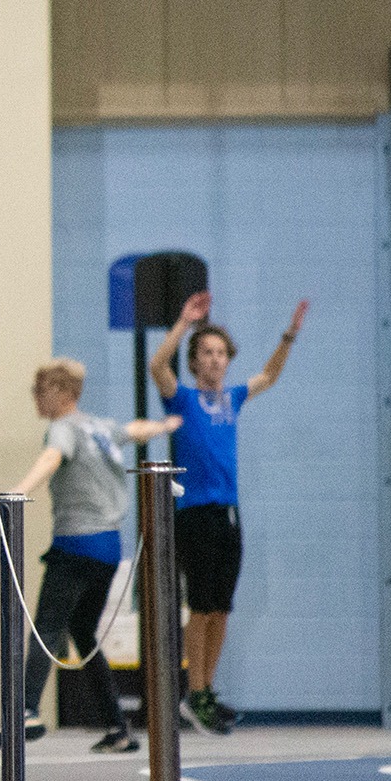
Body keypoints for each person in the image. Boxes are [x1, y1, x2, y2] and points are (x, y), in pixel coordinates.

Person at [0, 359, 180, 753]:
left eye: (40, 391)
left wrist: (20, 490)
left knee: (46, 628)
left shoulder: (63, 429)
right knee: (83, 633)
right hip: (108, 549)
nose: (36, 399)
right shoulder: (100, 427)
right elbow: (134, 430)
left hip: (75, 543)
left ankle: (24, 712)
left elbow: (52, 458)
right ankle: (117, 727)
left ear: (60, 392)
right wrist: (163, 426)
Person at [150, 290, 308, 734]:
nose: (216, 360)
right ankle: (192, 693)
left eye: (221, 353)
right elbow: (156, 366)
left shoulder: (232, 399)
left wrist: (289, 335)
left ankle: (206, 691)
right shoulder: (181, 399)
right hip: (193, 514)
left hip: (228, 515)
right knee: (199, 608)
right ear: (196, 361)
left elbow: (269, 376)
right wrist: (184, 323)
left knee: (221, 608)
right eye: (207, 353)